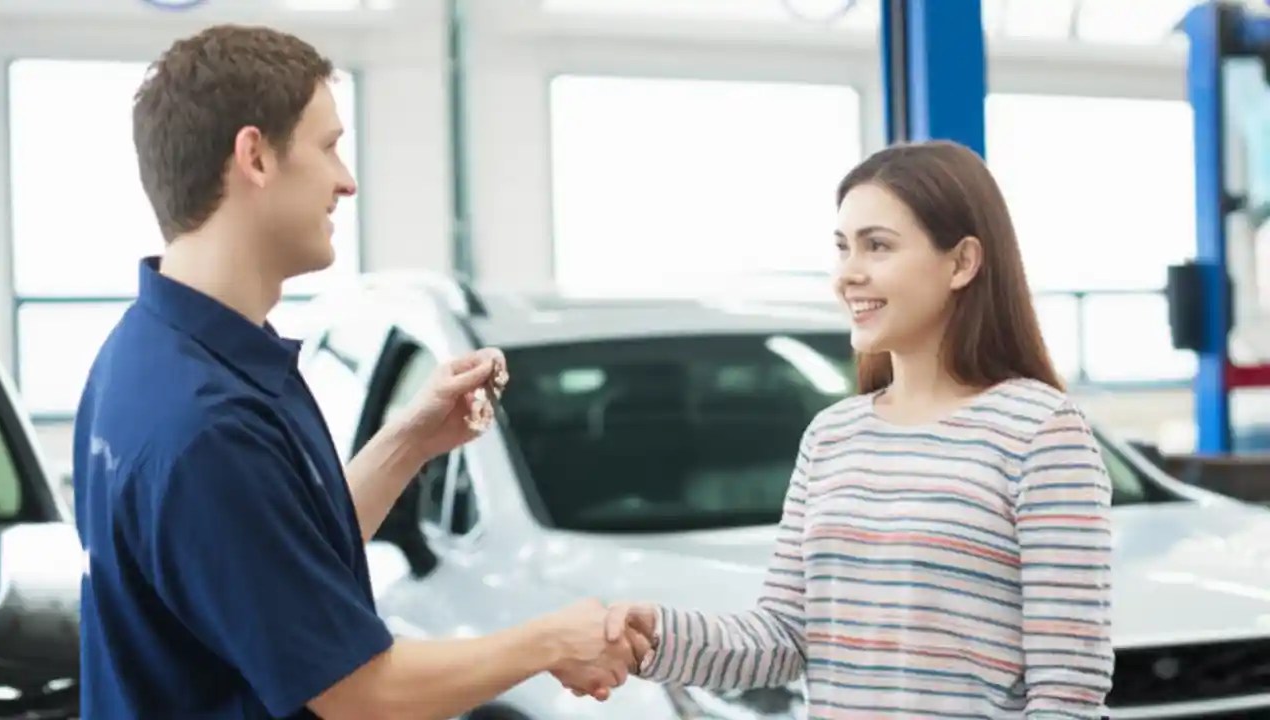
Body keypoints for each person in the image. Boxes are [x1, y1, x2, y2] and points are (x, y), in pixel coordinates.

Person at [72, 24, 643, 719]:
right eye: (328, 145)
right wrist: (550, 640)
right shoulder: (207, 424)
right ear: (254, 155)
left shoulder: (151, 356)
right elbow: (357, 691)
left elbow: (280, 564)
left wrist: (410, 443)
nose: (346, 180)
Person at [585, 141, 1116, 718]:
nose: (848, 275)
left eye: (877, 246)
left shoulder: (1040, 432)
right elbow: (782, 638)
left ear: (962, 262)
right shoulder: (831, 436)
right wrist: (657, 637)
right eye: (842, 249)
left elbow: (1067, 691)